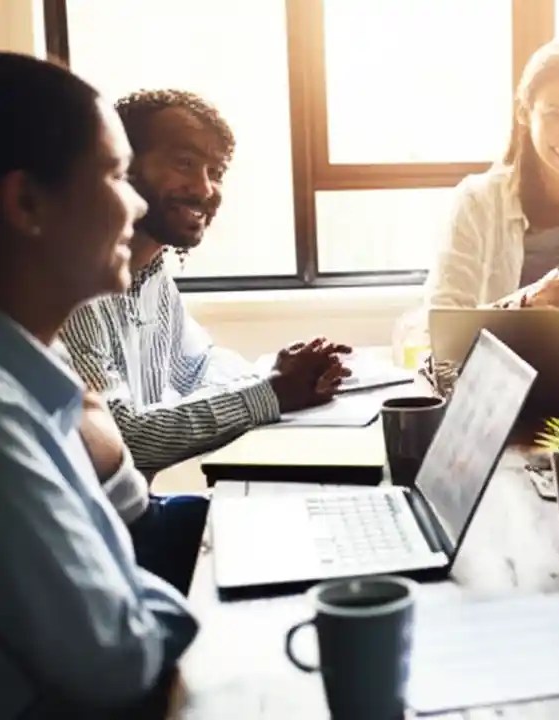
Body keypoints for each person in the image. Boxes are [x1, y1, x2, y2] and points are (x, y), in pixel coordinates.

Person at [57, 89, 352, 592]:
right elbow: (126, 437)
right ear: (121, 166)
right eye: (186, 163)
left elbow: (198, 367)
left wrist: (285, 372)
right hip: (92, 550)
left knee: (317, 530)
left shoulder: (154, 276)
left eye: (215, 173)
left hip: (135, 521)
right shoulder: (76, 283)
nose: (205, 189)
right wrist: (272, 393)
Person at [0, 52, 196, 717]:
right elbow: (116, 660)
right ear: (27, 202)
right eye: (116, 174)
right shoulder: (3, 427)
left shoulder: (38, 380)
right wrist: (174, 603)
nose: (137, 203)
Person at [424, 42, 559, 342]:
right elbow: (443, 330)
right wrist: (531, 299)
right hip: (488, 382)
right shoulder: (476, 203)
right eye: (556, 115)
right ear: (524, 113)